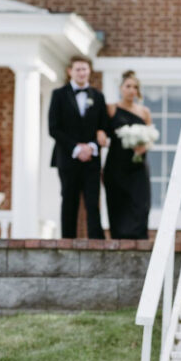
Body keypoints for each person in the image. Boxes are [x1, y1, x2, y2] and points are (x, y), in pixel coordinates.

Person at [48, 55, 109, 239]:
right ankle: (67, 241)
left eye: (84, 69)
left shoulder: (98, 96)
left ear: (89, 71)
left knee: (92, 201)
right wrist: (76, 148)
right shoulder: (59, 95)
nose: (82, 73)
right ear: (70, 71)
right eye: (78, 69)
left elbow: (104, 126)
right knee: (69, 200)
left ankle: (96, 242)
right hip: (67, 158)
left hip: (92, 158)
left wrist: (91, 147)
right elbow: (53, 128)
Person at [104, 71, 153, 240]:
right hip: (116, 164)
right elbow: (103, 131)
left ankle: (139, 238)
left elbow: (151, 136)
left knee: (141, 202)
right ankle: (118, 238)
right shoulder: (111, 109)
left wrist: (144, 147)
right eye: (128, 86)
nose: (132, 90)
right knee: (117, 201)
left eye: (135, 87)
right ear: (121, 88)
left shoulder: (144, 112)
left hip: (138, 164)